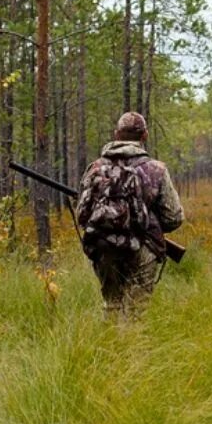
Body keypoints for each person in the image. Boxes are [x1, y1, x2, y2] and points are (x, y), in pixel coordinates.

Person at [76, 111, 183, 317]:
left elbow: (83, 214)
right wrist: (146, 220)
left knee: (112, 306)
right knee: (137, 311)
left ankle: (110, 346)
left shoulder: (95, 168)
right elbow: (174, 218)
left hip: (104, 248)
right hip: (144, 249)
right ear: (145, 136)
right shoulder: (156, 169)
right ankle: (133, 348)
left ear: (116, 135)